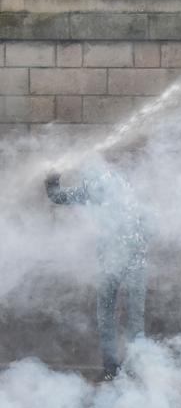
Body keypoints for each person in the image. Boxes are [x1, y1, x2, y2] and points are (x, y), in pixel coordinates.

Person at [45, 163, 148, 380]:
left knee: (117, 318)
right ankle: (128, 370)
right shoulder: (120, 188)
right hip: (126, 264)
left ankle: (121, 370)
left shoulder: (95, 188)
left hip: (120, 265)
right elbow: (150, 227)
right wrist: (52, 179)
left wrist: (53, 179)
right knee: (128, 319)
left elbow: (58, 196)